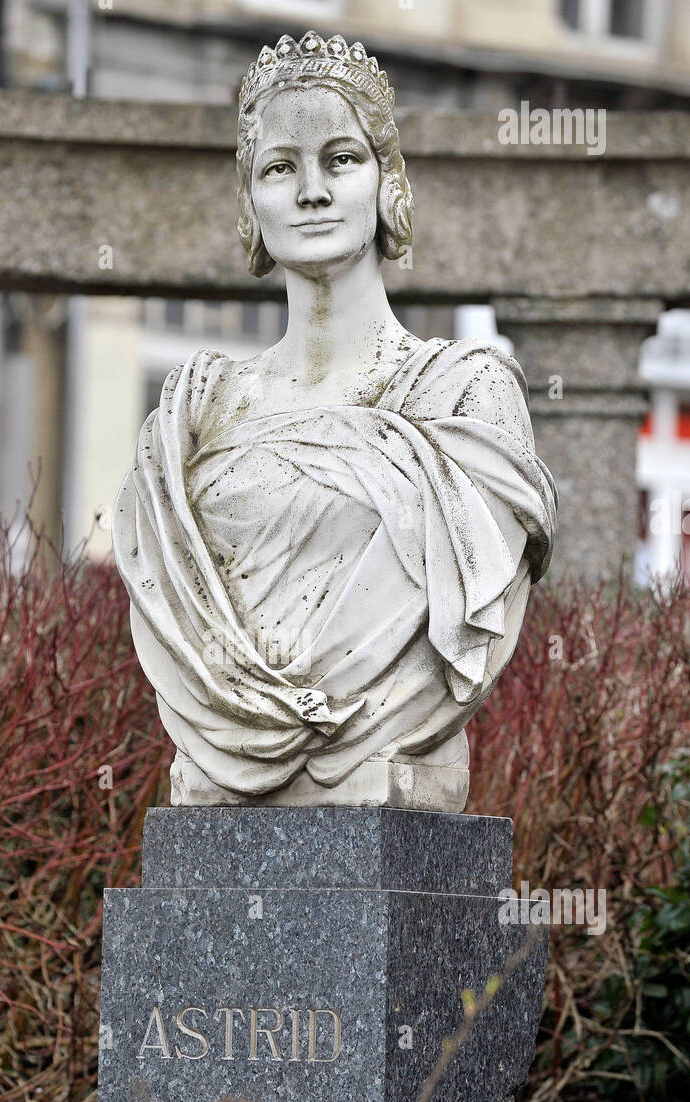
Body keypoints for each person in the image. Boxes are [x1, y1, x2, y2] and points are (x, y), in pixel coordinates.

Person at [112, 31, 558, 810]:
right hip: (214, 781)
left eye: (341, 159)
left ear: (389, 185)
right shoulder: (191, 414)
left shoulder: (463, 398)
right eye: (280, 167)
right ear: (250, 201)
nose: (311, 191)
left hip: (386, 770)